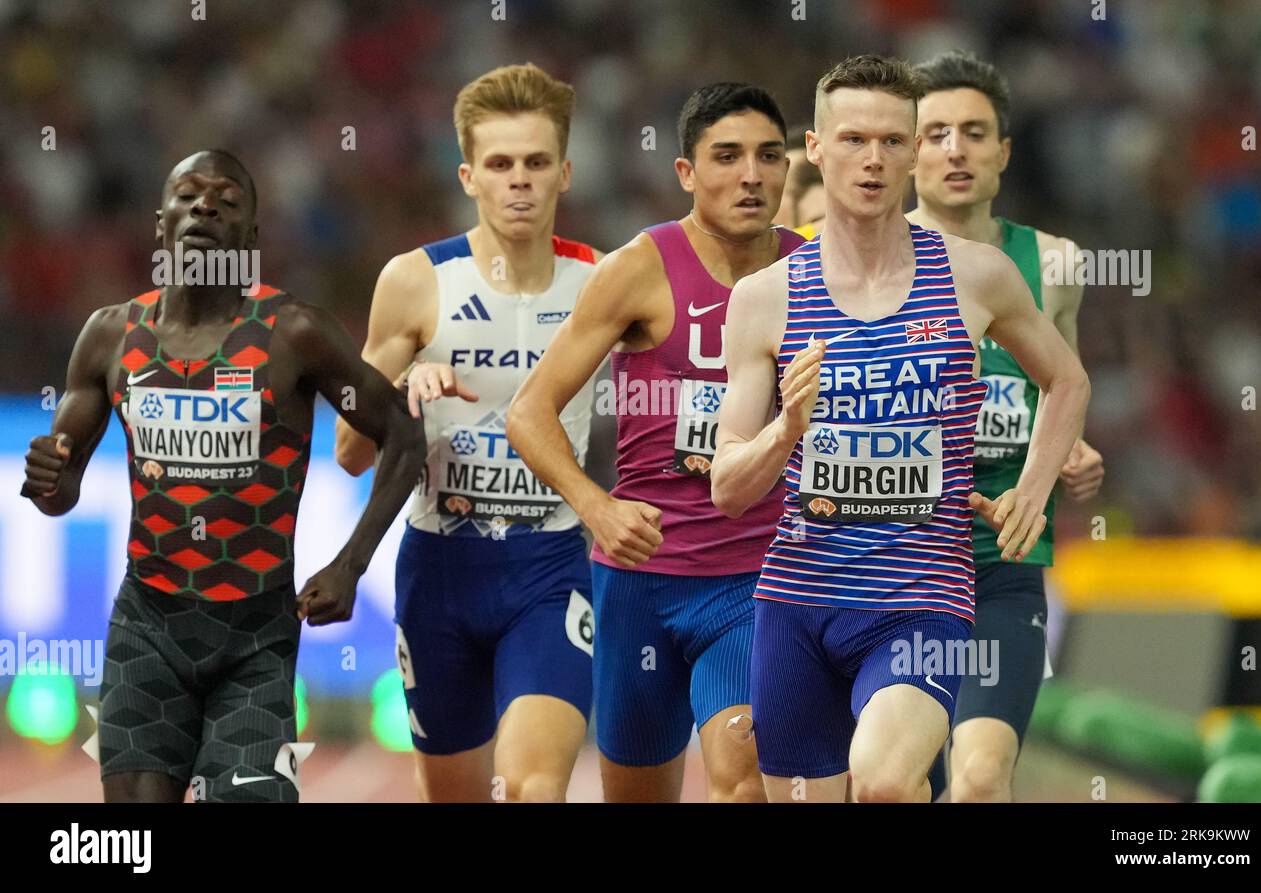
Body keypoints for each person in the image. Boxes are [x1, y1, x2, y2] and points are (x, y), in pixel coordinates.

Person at [710, 54, 1090, 803]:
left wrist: (1032, 489)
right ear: (813, 152)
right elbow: (726, 486)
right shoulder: (764, 298)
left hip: (924, 593)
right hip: (799, 599)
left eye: (892, 141)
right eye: (852, 140)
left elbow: (1067, 379)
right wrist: (786, 429)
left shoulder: (978, 276)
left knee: (884, 781)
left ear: (915, 151)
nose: (873, 160)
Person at [21, 150, 425, 803]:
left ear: (252, 237)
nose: (205, 206)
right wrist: (50, 480)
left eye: (227, 199)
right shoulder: (110, 337)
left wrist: (352, 563)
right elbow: (60, 493)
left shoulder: (295, 335)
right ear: (160, 225)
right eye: (187, 194)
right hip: (146, 630)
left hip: (256, 640)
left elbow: (404, 434)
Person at [507, 83, 804, 802]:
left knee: (742, 781)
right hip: (638, 579)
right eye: (726, 157)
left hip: (756, 579)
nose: (751, 175)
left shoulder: (814, 272)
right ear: (686, 173)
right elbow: (529, 411)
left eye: (768, 156)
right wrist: (595, 506)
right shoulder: (640, 268)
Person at [334, 64, 600, 802]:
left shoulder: (604, 282)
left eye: (537, 163)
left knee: (528, 788)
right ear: (468, 176)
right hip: (440, 571)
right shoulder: (416, 281)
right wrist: (401, 398)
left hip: (549, 567)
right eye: (500, 164)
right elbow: (350, 454)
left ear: (566, 172)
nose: (520, 181)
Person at [908, 50, 1104, 803]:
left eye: (975, 132)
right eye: (935, 133)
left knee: (982, 777)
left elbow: (1063, 392)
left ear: (1004, 151)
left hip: (1002, 563)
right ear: (909, 149)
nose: (955, 149)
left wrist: (1073, 456)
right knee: (899, 781)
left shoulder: (1053, 264)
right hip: (891, 562)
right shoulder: (868, 262)